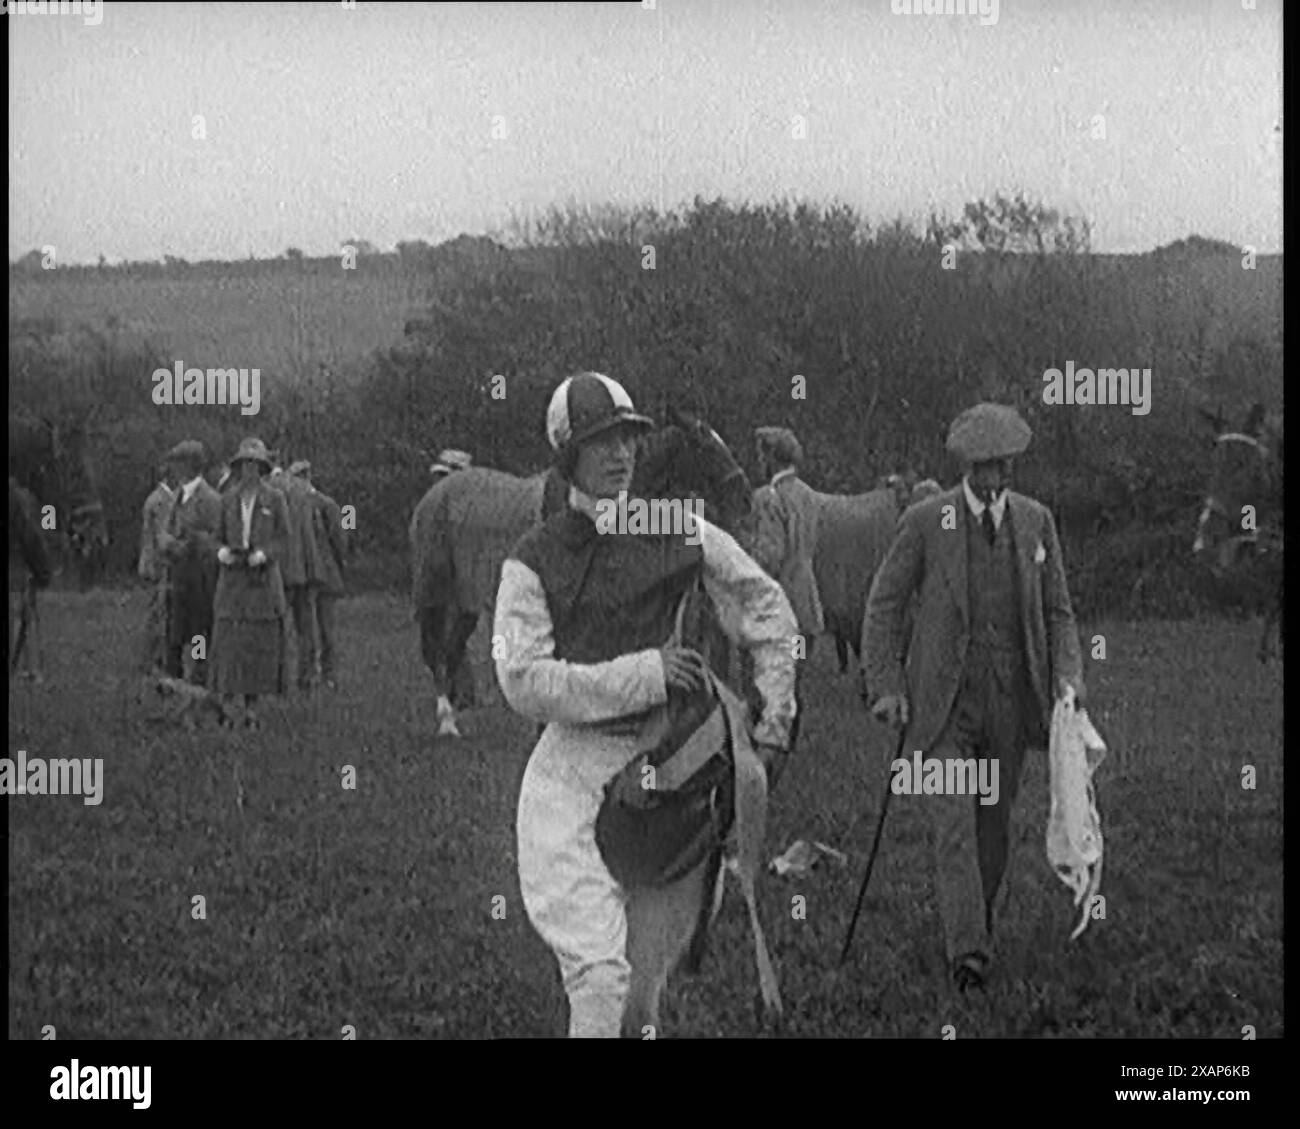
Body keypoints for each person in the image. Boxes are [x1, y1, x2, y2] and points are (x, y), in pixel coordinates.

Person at [493, 371, 797, 1038]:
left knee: (643, 989)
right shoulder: (533, 558)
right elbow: (521, 680)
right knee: (600, 977)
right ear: (568, 455)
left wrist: (774, 720)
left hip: (669, 767)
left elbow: (763, 602)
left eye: (627, 438)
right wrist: (644, 673)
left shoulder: (672, 525)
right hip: (568, 777)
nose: (620, 454)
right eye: (601, 442)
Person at [861, 403, 1085, 992]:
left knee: (994, 825)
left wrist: (1069, 677)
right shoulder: (926, 521)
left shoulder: (1037, 523)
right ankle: (969, 956)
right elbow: (883, 604)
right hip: (942, 707)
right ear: (966, 465)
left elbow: (1059, 612)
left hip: (1010, 702)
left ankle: (976, 926)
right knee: (954, 824)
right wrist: (886, 686)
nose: (997, 477)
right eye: (986, 466)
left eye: (1006, 465)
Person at [750, 425, 823, 778]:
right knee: (796, 679)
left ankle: (770, 762)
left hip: (780, 609)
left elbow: (770, 556)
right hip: (808, 605)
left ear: (769, 456)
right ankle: (789, 753)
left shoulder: (767, 497)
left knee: (773, 685)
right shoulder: (810, 496)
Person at [211, 438, 291, 728]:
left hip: (262, 584)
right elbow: (215, 537)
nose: (249, 470)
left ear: (262, 468)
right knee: (231, 645)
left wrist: (264, 554)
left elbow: (284, 539)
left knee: (258, 646)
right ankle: (229, 708)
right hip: (232, 584)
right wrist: (221, 552)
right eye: (244, 464)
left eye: (255, 464)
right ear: (237, 468)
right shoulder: (227, 499)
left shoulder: (275, 499)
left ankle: (252, 709)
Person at [157, 440, 221, 685]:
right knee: (173, 635)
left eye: (178, 461)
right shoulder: (175, 497)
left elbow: (214, 540)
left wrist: (186, 544)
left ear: (191, 464)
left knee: (198, 634)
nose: (173, 468)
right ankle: (172, 682)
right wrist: (165, 542)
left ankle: (199, 681)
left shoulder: (211, 499)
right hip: (174, 580)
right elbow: (164, 531)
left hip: (200, 583)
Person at [290, 460, 349, 689]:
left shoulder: (326, 504)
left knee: (326, 629)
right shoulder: (298, 504)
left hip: (324, 575)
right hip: (305, 576)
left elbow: (340, 537)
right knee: (308, 629)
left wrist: (340, 564)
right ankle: (310, 674)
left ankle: (329, 675)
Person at [269, 454, 323, 690]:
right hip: (305, 568)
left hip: (278, 569)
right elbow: (317, 529)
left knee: (277, 629)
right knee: (307, 629)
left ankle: (278, 680)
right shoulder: (305, 490)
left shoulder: (267, 491)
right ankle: (309, 677)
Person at [137, 461, 176, 675]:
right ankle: (152, 661)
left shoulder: (155, 497)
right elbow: (162, 538)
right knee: (158, 614)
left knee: (155, 613)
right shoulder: (163, 501)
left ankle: (150, 661)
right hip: (159, 565)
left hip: (151, 562)